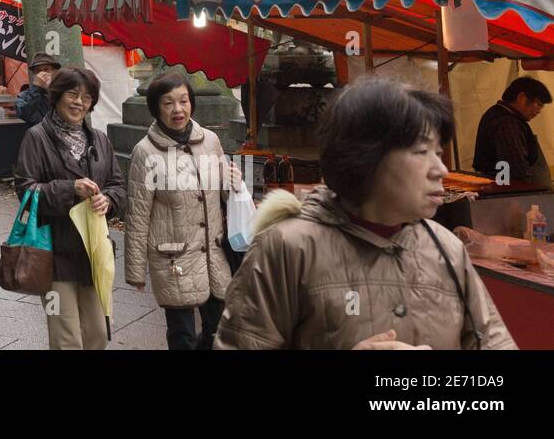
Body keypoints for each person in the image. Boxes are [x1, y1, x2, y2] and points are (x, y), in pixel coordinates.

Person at [215, 76, 516, 350]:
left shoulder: (446, 249)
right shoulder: (286, 250)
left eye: (439, 153)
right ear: (367, 158)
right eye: (422, 152)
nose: (441, 170)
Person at [125, 72, 239, 350]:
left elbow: (220, 195)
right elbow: (138, 214)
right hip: (172, 258)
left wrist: (231, 182)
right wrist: (136, 271)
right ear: (156, 108)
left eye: (183, 101)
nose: (178, 109)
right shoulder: (146, 152)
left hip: (213, 253)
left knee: (216, 331)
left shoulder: (210, 140)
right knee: (182, 337)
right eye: (168, 103)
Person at [14, 66, 123, 350]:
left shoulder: (99, 139)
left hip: (93, 252)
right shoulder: (37, 137)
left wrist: (109, 200)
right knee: (67, 338)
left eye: (86, 98)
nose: (79, 103)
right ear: (58, 96)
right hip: (53, 252)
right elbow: (25, 190)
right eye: (72, 94)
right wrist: (68, 188)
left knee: (97, 334)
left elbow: (118, 185)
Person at [472, 77, 552, 188]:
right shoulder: (506, 122)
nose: (538, 111)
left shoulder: (508, 117)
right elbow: (515, 166)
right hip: (512, 195)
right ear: (522, 98)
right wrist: (521, 197)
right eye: (538, 104)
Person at [15, 52, 61, 128]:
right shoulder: (24, 96)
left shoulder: (62, 93)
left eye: (46, 69)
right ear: (34, 74)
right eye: (38, 71)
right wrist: (36, 87)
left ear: (54, 72)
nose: (42, 73)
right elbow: (25, 114)